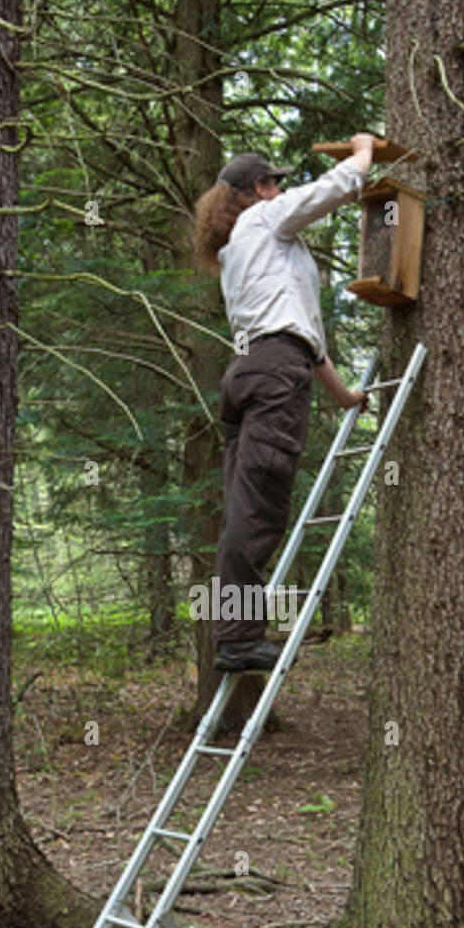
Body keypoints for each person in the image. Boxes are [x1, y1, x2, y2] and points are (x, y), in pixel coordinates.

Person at [193, 133, 375, 672]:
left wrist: (344, 396)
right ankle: (238, 639)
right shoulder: (264, 220)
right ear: (259, 189)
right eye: (275, 182)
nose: (281, 190)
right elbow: (336, 187)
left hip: (252, 372)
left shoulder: (237, 252)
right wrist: (363, 151)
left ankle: (234, 633)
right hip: (273, 375)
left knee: (242, 509)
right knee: (260, 508)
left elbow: (297, 333)